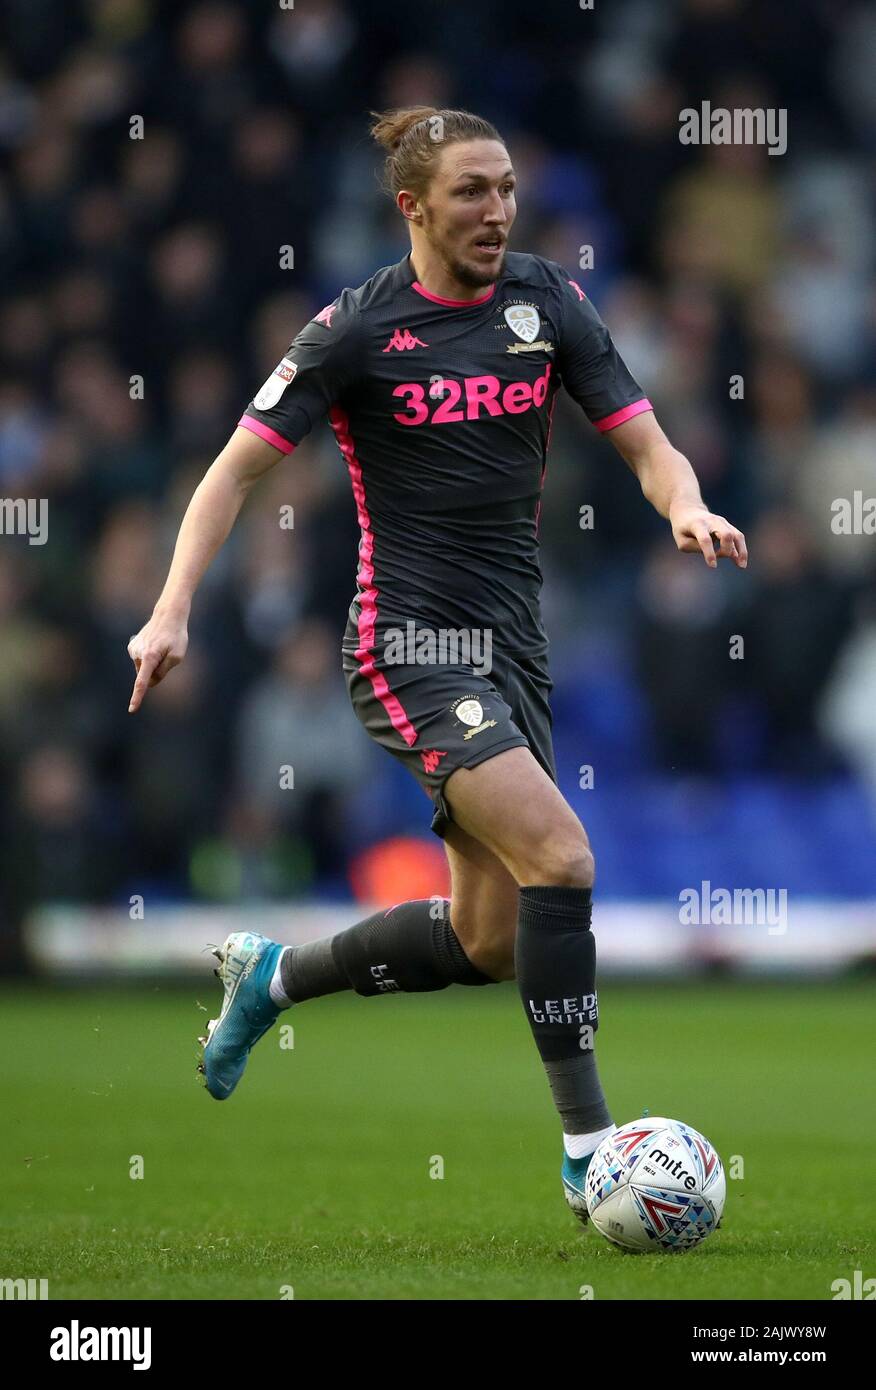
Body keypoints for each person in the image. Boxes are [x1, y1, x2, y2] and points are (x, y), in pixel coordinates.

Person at [127, 107, 747, 1224]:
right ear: (412, 207)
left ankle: (274, 976)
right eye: (471, 191)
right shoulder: (355, 330)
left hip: (514, 645)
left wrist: (686, 502)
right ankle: (589, 1152)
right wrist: (169, 612)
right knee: (562, 853)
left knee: (489, 939)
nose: (497, 210)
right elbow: (229, 475)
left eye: (506, 187)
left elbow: (646, 442)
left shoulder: (548, 303)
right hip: (409, 641)